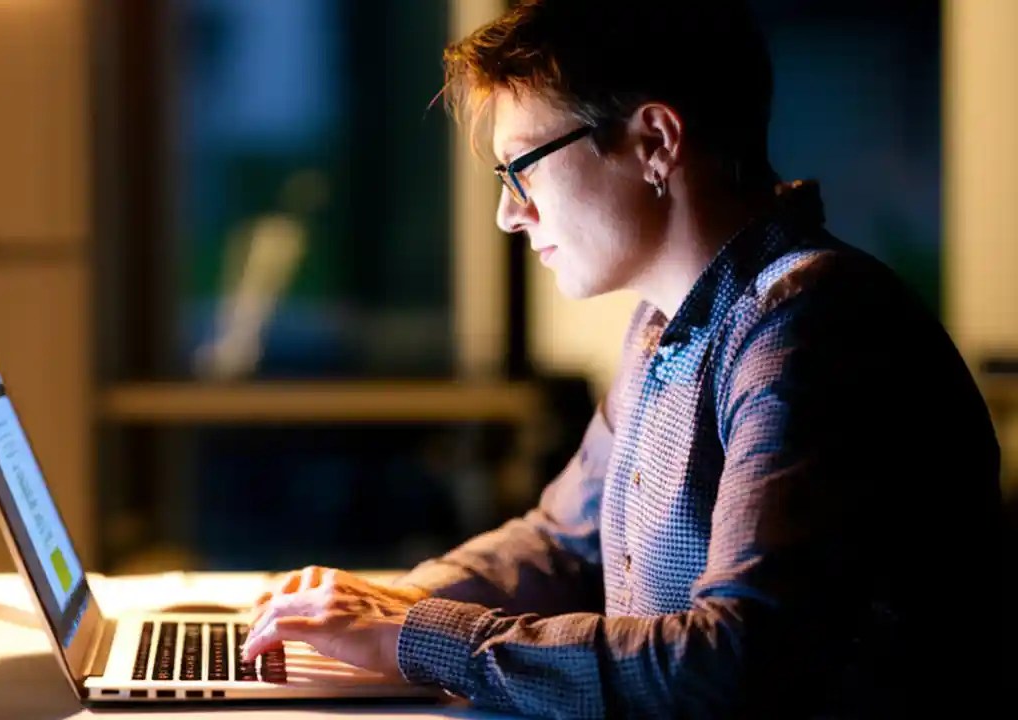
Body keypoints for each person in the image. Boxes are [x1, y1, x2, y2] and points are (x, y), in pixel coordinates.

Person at [239, 1, 1005, 717]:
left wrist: (422, 639)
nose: (509, 212)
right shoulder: (665, 324)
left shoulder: (810, 329)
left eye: (521, 167)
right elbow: (563, 540)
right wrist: (388, 603)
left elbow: (734, 657)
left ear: (656, 143)